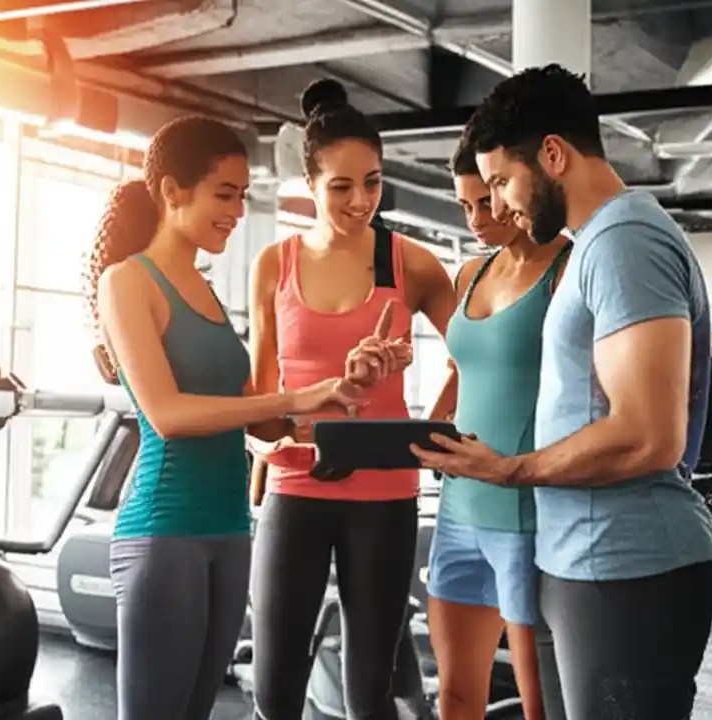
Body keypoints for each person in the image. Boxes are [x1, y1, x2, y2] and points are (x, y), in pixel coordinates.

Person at [412, 64, 712, 720]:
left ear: (553, 154)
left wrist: (511, 469)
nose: (496, 207)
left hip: (629, 565)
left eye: (500, 181)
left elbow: (647, 433)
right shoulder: (601, 244)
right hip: (588, 560)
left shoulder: (624, 243)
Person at [84, 115, 400, 720]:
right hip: (164, 531)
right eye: (223, 195)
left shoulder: (203, 289)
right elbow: (169, 415)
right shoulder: (127, 282)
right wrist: (291, 399)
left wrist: (334, 398)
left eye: (242, 195)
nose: (236, 211)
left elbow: (251, 422)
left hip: (230, 531)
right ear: (173, 192)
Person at [246, 79, 458, 720]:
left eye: (372, 182)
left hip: (385, 497)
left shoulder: (410, 263)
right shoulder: (273, 265)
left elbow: (476, 354)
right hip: (296, 488)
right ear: (308, 184)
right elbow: (259, 397)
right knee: (274, 688)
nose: (360, 200)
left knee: (370, 693)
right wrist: (274, 439)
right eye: (341, 186)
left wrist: (433, 427)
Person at [426, 134, 572, 720]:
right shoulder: (469, 274)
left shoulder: (566, 268)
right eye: (464, 206)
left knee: (539, 705)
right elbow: (462, 374)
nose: (477, 219)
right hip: (457, 511)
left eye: (485, 202)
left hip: (524, 514)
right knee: (458, 696)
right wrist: (424, 428)